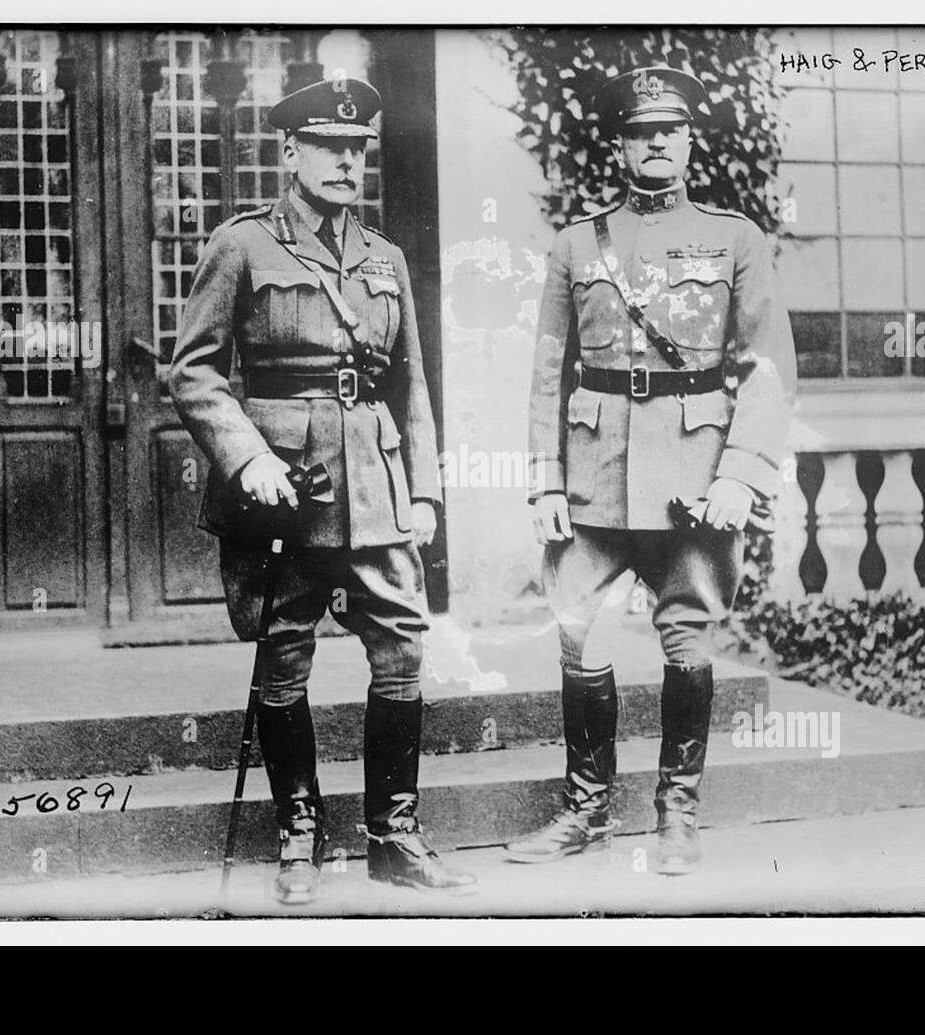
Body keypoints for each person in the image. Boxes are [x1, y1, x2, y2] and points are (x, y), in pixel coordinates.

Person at [169, 76, 476, 902]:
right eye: (330, 148)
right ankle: (298, 835)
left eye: (357, 150)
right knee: (284, 656)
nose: (346, 162)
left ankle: (394, 834)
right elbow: (192, 370)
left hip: (376, 483)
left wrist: (426, 492)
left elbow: (412, 385)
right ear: (291, 151)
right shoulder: (243, 245)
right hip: (286, 487)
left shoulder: (386, 258)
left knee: (403, 648)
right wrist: (244, 456)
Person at [508, 65, 796, 873]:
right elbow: (545, 370)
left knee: (687, 642)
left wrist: (742, 473)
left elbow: (768, 369)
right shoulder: (575, 245)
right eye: (641, 131)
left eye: (670, 129)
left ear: (690, 140)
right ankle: (584, 809)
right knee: (579, 634)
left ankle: (678, 813)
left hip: (696, 480)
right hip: (594, 474)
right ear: (622, 145)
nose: (657, 141)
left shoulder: (737, 238)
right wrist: (543, 479)